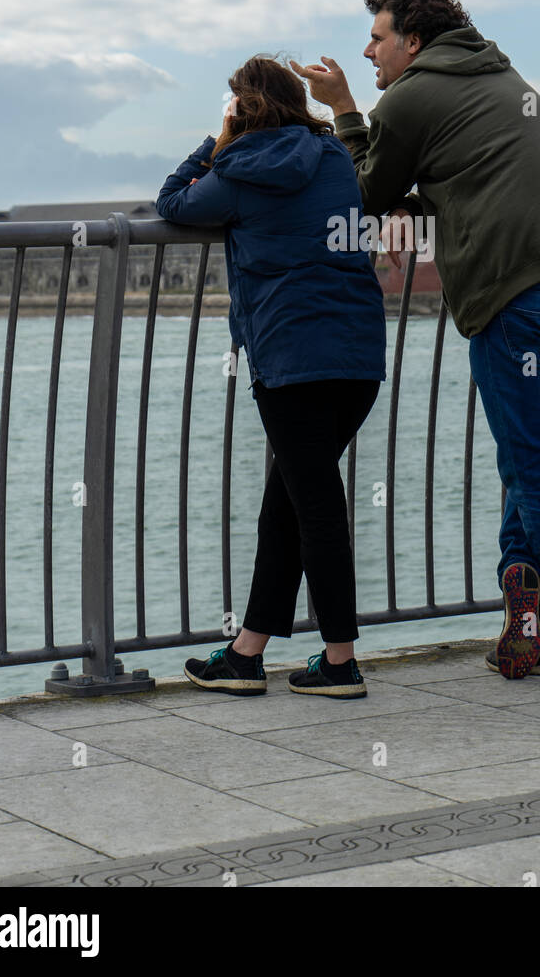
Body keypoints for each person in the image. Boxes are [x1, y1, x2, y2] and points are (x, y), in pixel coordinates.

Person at [292, 0, 540, 680]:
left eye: (377, 38)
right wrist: (417, 203)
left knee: (533, 464)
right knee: (533, 457)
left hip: (520, 295)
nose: (368, 51)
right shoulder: (498, 75)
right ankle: (522, 588)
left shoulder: (412, 95)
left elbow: (363, 191)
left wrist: (344, 108)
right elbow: (471, 175)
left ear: (412, 41)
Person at [156, 56, 386, 699]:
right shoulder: (333, 156)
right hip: (358, 355)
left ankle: (340, 664)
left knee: (315, 509)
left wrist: (216, 137)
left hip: (291, 359)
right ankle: (246, 654)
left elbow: (171, 200)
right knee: (286, 506)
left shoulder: (236, 171)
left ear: (243, 107)